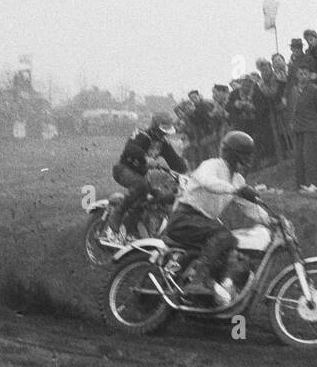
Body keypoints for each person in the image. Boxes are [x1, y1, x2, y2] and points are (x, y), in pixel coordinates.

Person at [164, 131, 262, 300]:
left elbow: (250, 208)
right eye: (242, 157)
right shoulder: (212, 165)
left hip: (201, 222)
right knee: (223, 234)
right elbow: (207, 181)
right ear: (233, 155)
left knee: (230, 249)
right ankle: (198, 282)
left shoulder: (237, 179)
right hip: (184, 218)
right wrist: (234, 190)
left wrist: (273, 219)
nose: (245, 162)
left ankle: (211, 292)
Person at [103, 111, 189, 245]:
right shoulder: (142, 135)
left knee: (155, 198)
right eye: (161, 131)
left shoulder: (163, 143)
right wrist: (145, 158)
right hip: (123, 170)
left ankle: (133, 231)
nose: (163, 134)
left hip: (140, 175)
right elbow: (130, 149)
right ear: (154, 127)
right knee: (141, 186)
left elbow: (175, 161)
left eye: (165, 132)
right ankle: (117, 213)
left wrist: (188, 173)